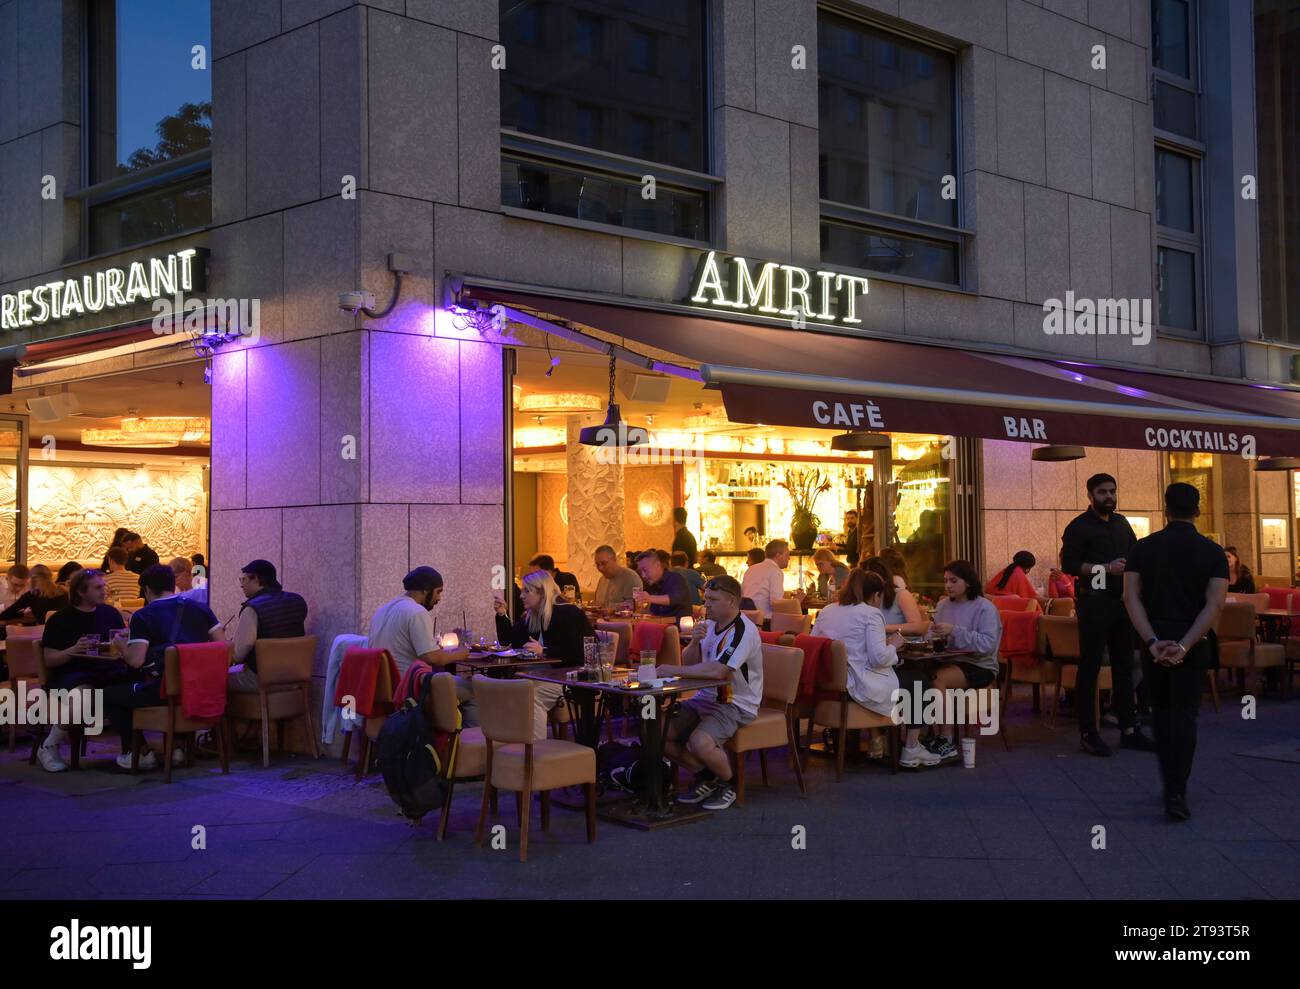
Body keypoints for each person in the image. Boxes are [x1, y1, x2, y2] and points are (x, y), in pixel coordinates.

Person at [1123, 483, 1228, 821]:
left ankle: (1169, 784)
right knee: (1185, 716)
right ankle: (1177, 791)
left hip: (1155, 644)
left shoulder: (1143, 549)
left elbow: (1131, 598)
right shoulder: (1213, 553)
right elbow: (1213, 607)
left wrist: (1153, 642)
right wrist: (1185, 644)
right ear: (1197, 511)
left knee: (1161, 713)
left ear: (1165, 509)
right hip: (1193, 646)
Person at [1060, 473, 1152, 757]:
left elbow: (1135, 554)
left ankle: (1129, 728)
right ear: (1090, 496)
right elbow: (1070, 565)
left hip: (1122, 602)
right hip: (1094, 602)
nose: (1109, 497)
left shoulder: (1122, 523)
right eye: (1103, 492)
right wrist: (1105, 568)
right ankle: (1089, 732)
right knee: (1090, 667)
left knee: (1124, 665)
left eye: (1112, 491)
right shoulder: (1078, 527)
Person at [657, 574, 763, 811]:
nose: (706, 605)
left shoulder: (743, 631)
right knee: (656, 731)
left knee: (700, 741)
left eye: (713, 600)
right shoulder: (709, 624)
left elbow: (718, 671)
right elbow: (691, 663)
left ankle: (730, 786)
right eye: (706, 600)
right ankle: (708, 778)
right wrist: (694, 644)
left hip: (735, 703)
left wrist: (669, 669)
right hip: (703, 698)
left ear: (732, 601)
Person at [102, 564, 223, 771]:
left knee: (106, 695)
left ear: (147, 590)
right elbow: (223, 646)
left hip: (163, 690)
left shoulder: (143, 616)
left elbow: (136, 661)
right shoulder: (202, 609)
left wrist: (121, 645)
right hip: (201, 690)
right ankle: (178, 747)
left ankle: (141, 752)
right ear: (173, 584)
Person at [35, 569, 128, 772]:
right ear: (80, 592)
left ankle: (135, 750)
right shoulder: (61, 619)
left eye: (104, 586)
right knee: (84, 695)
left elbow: (118, 645)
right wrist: (73, 650)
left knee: (133, 688)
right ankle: (49, 745)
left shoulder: (110, 613)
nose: (104, 591)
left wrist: (122, 648)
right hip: (70, 674)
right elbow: (49, 660)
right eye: (98, 587)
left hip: (107, 670)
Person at [812, 570, 904, 761]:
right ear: (876, 595)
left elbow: (814, 644)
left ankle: (877, 738)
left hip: (827, 683)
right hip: (856, 685)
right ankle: (907, 744)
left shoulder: (828, 610)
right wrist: (895, 645)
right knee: (912, 681)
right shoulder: (871, 614)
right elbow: (878, 658)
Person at [494, 568, 594, 739]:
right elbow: (510, 641)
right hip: (544, 675)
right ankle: (514, 742)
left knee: (530, 693)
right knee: (505, 687)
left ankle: (536, 751)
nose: (521, 595)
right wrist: (502, 615)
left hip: (571, 677)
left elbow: (581, 653)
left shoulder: (569, 613)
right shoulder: (532, 615)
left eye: (527, 591)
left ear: (542, 592)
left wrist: (544, 651)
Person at [922, 560, 1004, 762]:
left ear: (967, 582)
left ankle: (946, 737)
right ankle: (922, 735)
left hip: (980, 665)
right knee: (916, 675)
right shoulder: (942, 605)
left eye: (953, 580)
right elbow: (935, 634)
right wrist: (930, 636)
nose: (948, 585)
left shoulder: (984, 608)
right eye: (945, 581)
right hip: (950, 659)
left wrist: (955, 631)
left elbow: (987, 645)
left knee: (937, 678)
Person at [370, 567, 474, 722]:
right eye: (438, 591)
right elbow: (430, 657)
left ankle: (448, 736)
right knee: (474, 689)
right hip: (409, 688)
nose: (439, 598)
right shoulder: (416, 612)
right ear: (426, 590)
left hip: (382, 690)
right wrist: (461, 653)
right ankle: (464, 744)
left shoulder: (382, 610)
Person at [227, 560, 309, 694]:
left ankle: (228, 716)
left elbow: (238, 654)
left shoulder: (253, 608)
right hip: (295, 679)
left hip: (261, 680)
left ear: (257, 579)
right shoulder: (297, 601)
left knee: (213, 678)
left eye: (244, 579)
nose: (241, 584)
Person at [860, 556, 928, 635]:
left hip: (899, 645)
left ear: (882, 579)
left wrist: (882, 628)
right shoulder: (862, 597)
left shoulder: (901, 595)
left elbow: (917, 627)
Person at [741, 539, 796, 620]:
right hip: (765, 621)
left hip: (746, 619)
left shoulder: (751, 569)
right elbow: (776, 604)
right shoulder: (775, 571)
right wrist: (797, 601)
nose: (789, 558)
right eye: (787, 555)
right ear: (778, 555)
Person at [632, 549, 692, 620]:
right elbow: (652, 611)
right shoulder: (651, 584)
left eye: (645, 570)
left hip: (677, 627)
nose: (643, 575)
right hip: (658, 624)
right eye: (641, 571)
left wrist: (649, 598)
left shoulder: (676, 579)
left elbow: (675, 599)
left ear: (658, 565)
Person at [0, 564, 69, 623]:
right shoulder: (65, 592)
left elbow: (5, 615)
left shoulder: (32, 595)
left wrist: (22, 615)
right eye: (15, 584)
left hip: (43, 633)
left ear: (31, 579)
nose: (19, 588)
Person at [592, 544, 642, 608]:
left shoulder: (631, 577)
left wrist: (606, 606)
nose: (600, 568)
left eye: (603, 563)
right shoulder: (602, 580)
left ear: (614, 559)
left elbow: (634, 605)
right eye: (597, 564)